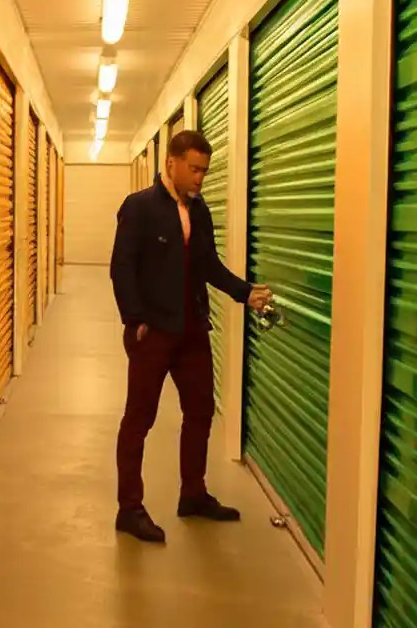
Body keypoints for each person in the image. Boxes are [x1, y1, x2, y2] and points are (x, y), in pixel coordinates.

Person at [109, 129, 273, 543]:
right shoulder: (140, 207)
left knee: (200, 413)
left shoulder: (199, 212)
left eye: (204, 171)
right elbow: (122, 267)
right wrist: (135, 319)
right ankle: (129, 508)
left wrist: (244, 292)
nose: (200, 178)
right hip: (154, 332)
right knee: (139, 419)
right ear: (172, 163)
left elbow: (207, 265)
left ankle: (193, 494)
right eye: (194, 169)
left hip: (192, 331)